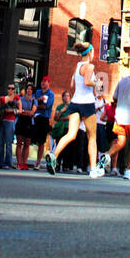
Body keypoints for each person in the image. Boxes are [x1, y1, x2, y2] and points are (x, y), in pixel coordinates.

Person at [45, 42, 103, 178]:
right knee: (92, 137)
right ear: (89, 53)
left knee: (71, 134)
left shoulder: (77, 66)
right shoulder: (90, 66)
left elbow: (72, 84)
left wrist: (90, 81)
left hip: (75, 102)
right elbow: (87, 82)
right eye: (93, 51)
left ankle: (53, 155)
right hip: (87, 103)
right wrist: (97, 83)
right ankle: (93, 169)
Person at [32, 76, 54, 169]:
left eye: (45, 81)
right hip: (35, 117)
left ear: (49, 83)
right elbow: (33, 102)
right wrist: (38, 102)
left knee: (41, 141)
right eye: (42, 81)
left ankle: (38, 162)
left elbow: (46, 106)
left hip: (44, 118)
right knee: (31, 139)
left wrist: (38, 103)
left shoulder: (50, 94)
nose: (43, 83)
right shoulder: (37, 92)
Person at [15, 82, 36, 169]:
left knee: (27, 143)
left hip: (29, 123)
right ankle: (19, 162)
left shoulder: (34, 101)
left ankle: (24, 162)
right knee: (19, 142)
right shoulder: (20, 99)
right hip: (21, 122)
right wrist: (24, 112)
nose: (29, 90)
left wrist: (24, 111)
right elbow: (19, 111)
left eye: (31, 89)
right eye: (28, 89)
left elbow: (32, 113)